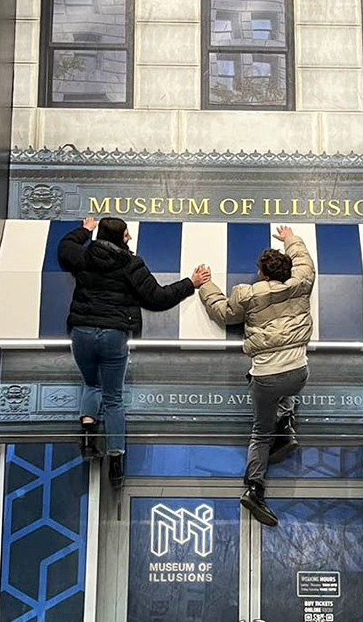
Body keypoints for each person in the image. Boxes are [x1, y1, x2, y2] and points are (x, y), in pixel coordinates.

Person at [58, 216, 210, 487]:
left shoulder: (83, 256)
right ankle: (115, 463)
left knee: (91, 383)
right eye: (127, 234)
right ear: (120, 237)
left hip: (81, 331)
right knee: (113, 397)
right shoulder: (131, 264)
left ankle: (87, 439)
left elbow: (64, 247)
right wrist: (191, 282)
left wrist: (84, 230)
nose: (130, 238)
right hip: (113, 335)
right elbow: (158, 297)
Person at [199, 226, 315, 527]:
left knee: (260, 433)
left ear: (261, 273)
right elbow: (303, 259)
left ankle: (254, 487)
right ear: (288, 269)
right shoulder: (302, 283)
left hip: (264, 375)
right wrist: (290, 238)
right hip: (298, 373)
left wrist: (206, 286)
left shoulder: (248, 295)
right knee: (288, 386)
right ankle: (286, 423)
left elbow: (223, 313)